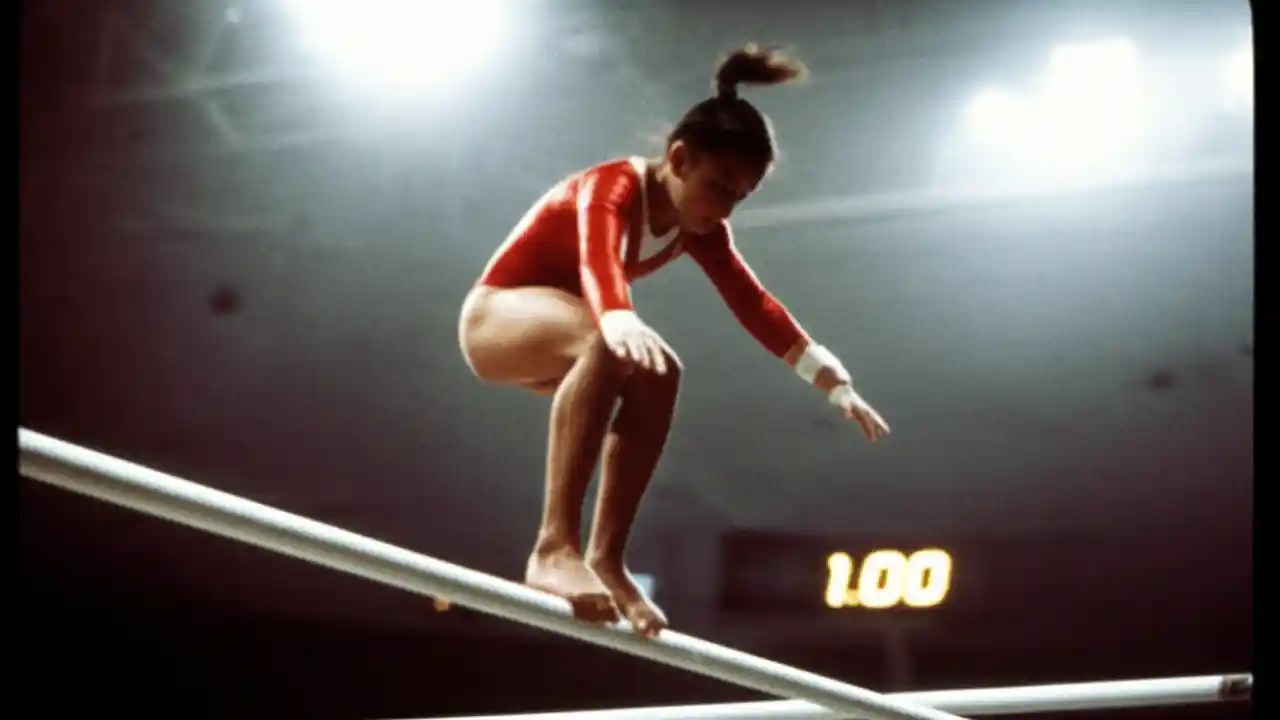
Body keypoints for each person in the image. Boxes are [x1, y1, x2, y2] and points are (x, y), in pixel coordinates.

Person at [458, 44, 890, 638]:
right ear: (679, 159)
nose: (724, 208)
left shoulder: (700, 228)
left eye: (739, 197)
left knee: (662, 371)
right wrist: (615, 316)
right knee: (617, 346)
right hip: (497, 320)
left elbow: (755, 303)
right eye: (718, 188)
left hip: (575, 332)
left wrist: (833, 382)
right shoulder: (610, 186)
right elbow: (596, 257)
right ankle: (553, 547)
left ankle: (607, 559)